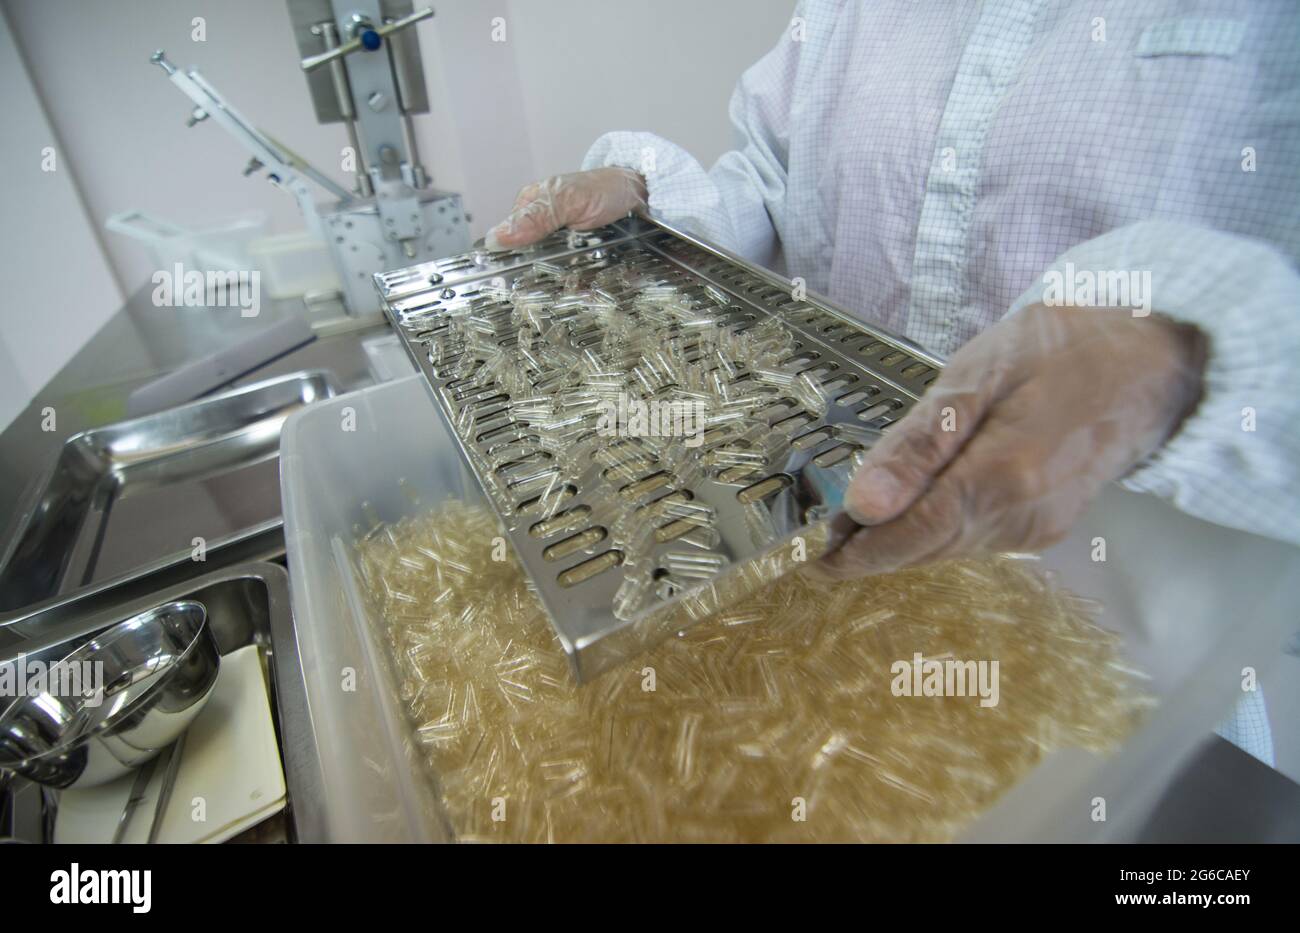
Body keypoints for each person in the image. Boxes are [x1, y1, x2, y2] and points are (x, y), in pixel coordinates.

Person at [487, 2, 1298, 761]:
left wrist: (1176, 362)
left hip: (1125, 650)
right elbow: (774, 186)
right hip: (826, 595)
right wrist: (646, 210)